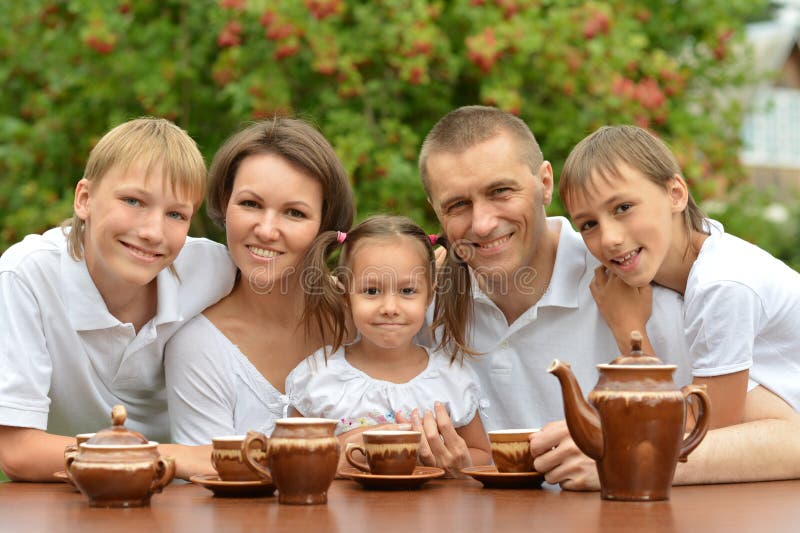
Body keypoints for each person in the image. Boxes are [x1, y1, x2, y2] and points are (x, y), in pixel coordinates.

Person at [405, 105, 690, 484]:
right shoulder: (417, 306)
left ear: (545, 183)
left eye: (501, 191)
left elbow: (730, 437)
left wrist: (620, 453)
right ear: (436, 212)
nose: (483, 223)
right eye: (458, 205)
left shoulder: (632, 282)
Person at [558, 124, 800, 485]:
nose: (609, 238)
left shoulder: (722, 283)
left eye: (623, 207)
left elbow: (698, 432)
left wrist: (629, 329)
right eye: (589, 224)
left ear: (675, 193)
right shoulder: (700, 254)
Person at [0, 117, 236, 481]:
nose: (152, 232)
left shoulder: (213, 269)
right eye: (133, 201)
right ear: (85, 199)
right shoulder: (26, 276)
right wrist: (172, 457)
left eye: (176, 214)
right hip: (70, 501)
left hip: (177, 502)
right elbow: (16, 450)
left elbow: (309, 292)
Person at [164, 118, 355, 464]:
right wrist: (335, 455)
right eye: (250, 204)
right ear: (225, 204)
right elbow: (209, 480)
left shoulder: (365, 323)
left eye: (294, 213)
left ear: (326, 226)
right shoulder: (197, 347)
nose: (266, 230)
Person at [285, 215, 491, 469]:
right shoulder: (320, 376)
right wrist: (338, 454)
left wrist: (455, 462)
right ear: (345, 295)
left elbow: (482, 452)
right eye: (371, 291)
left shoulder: (451, 378)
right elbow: (287, 457)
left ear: (429, 295)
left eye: (407, 291)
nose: (390, 308)